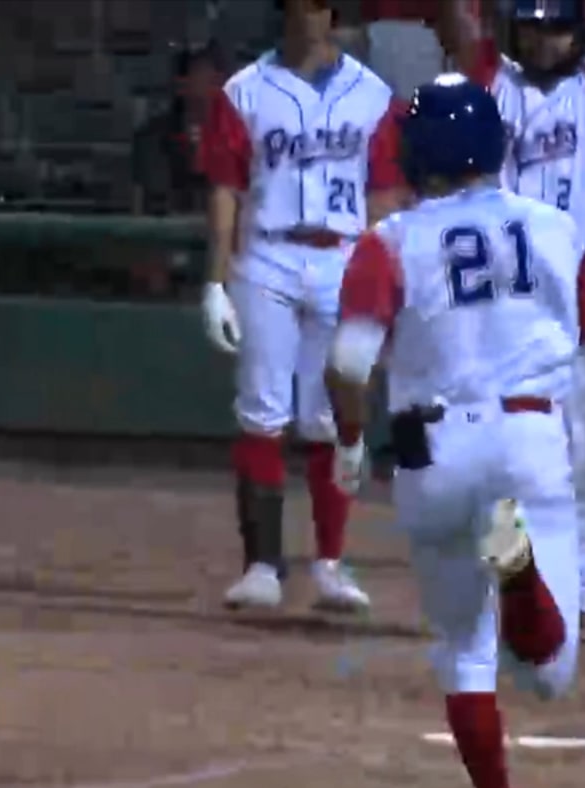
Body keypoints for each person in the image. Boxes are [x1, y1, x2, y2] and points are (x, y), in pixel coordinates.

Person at [324, 74, 585, 788]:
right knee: (548, 676)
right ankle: (516, 564)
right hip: (527, 443)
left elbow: (350, 363)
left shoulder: (387, 241)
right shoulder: (557, 229)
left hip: (433, 455)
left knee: (463, 648)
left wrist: (350, 444)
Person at [196, 0, 407, 613]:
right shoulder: (245, 90)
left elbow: (385, 192)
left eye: (320, 5)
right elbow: (225, 188)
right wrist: (216, 280)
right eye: (299, 5)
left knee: (329, 416)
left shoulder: (372, 93)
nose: (310, 17)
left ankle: (331, 565)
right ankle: (262, 566)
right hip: (267, 254)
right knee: (263, 408)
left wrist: (380, 274)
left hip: (342, 255)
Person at [439, 0, 585, 643]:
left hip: (576, 293)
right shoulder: (494, 85)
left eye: (556, 27)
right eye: (533, 27)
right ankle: (511, 590)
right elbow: (461, 28)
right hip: (504, 299)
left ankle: (581, 592)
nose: (545, 40)